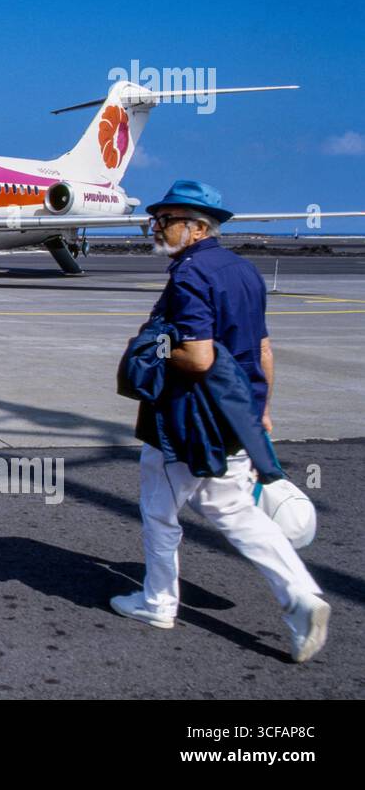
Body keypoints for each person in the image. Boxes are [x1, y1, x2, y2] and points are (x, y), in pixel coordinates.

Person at [111, 179, 328, 663]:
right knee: (235, 512)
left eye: (166, 220)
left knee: (160, 511)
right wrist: (262, 410)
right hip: (235, 417)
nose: (156, 227)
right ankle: (301, 598)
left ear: (197, 227)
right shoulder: (245, 271)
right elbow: (264, 349)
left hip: (189, 419)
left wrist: (153, 353)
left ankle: (158, 602)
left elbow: (199, 357)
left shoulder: (189, 276)